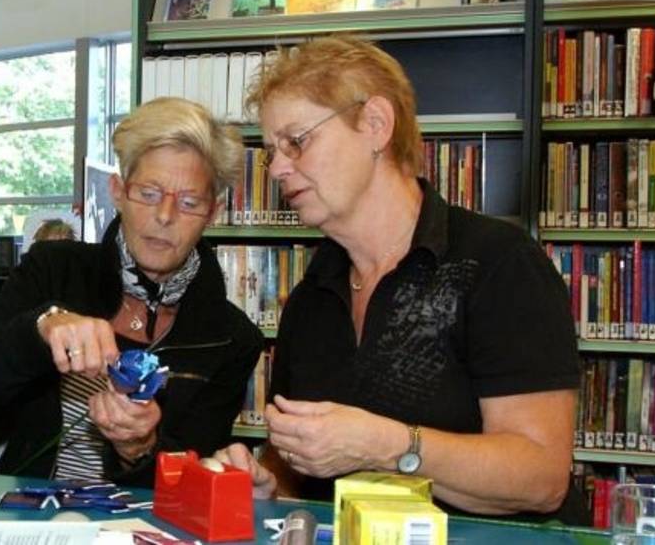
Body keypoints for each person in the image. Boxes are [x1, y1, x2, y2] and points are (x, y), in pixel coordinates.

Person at [214, 35, 585, 523]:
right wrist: (267, 487)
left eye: (297, 141)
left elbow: (541, 479)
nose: (279, 167)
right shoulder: (312, 296)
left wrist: (388, 444)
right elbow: (299, 467)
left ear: (375, 125)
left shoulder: (498, 264)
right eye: (272, 152)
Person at [0, 97, 262, 485]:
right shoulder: (53, 269)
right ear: (118, 191)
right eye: (149, 194)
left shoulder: (232, 340)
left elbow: (193, 480)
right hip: (31, 518)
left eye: (189, 202)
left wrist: (140, 448)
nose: (165, 216)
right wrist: (39, 329)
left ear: (213, 212)